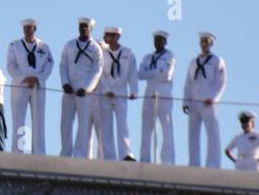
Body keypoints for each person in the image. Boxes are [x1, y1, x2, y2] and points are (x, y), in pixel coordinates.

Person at [5, 18, 55, 154]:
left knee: (39, 119)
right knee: (18, 118)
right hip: (20, 85)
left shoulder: (44, 46)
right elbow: (10, 65)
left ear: (35, 29)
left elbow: (49, 65)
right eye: (25, 28)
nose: (27, 30)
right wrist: (24, 78)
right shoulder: (14, 45)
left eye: (30, 27)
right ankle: (18, 150)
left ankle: (39, 151)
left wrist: (38, 78)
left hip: (38, 85)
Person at [59, 17, 104, 159]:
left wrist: (87, 88)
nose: (83, 29)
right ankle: (65, 152)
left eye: (86, 26)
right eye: (81, 26)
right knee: (65, 122)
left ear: (91, 29)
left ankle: (79, 153)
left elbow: (97, 70)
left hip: (84, 91)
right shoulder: (69, 45)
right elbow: (63, 65)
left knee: (83, 123)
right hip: (69, 88)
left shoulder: (96, 48)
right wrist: (65, 83)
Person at [182, 31, 227, 168]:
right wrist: (186, 101)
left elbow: (222, 82)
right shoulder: (193, 62)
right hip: (194, 101)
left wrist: (214, 98)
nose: (204, 44)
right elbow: (188, 83)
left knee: (212, 133)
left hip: (208, 101)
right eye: (202, 41)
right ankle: (193, 162)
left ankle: (213, 163)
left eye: (206, 41)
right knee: (193, 134)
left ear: (211, 43)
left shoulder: (217, 60)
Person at [95, 26, 138, 161]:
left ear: (116, 37)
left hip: (121, 94)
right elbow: (99, 73)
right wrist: (106, 89)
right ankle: (108, 156)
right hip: (105, 94)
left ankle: (126, 153)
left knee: (122, 124)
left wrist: (134, 91)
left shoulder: (128, 52)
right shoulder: (102, 52)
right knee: (106, 126)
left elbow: (132, 73)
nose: (104, 38)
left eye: (107, 35)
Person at [138, 30, 176, 164]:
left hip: (164, 92)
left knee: (166, 127)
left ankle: (167, 159)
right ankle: (144, 158)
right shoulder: (148, 57)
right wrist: (157, 72)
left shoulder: (169, 56)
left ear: (165, 41)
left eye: (160, 40)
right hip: (149, 91)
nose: (157, 42)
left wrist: (150, 73)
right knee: (146, 127)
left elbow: (167, 75)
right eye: (156, 40)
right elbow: (140, 74)